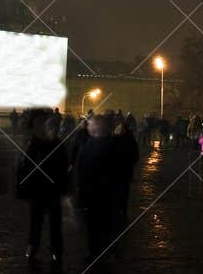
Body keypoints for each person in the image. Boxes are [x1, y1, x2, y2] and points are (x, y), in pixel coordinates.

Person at [17, 110, 70, 261]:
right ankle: (33, 246)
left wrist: (63, 183)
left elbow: (65, 166)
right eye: (50, 128)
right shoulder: (34, 144)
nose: (53, 131)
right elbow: (25, 167)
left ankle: (56, 248)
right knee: (36, 221)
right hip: (38, 189)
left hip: (54, 189)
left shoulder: (59, 145)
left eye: (55, 128)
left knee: (55, 221)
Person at [74, 113, 128, 260]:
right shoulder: (113, 145)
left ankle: (96, 250)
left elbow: (80, 172)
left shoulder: (91, 146)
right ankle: (102, 249)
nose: (88, 128)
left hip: (99, 194)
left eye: (90, 125)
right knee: (103, 223)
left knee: (97, 223)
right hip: (104, 194)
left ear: (97, 128)